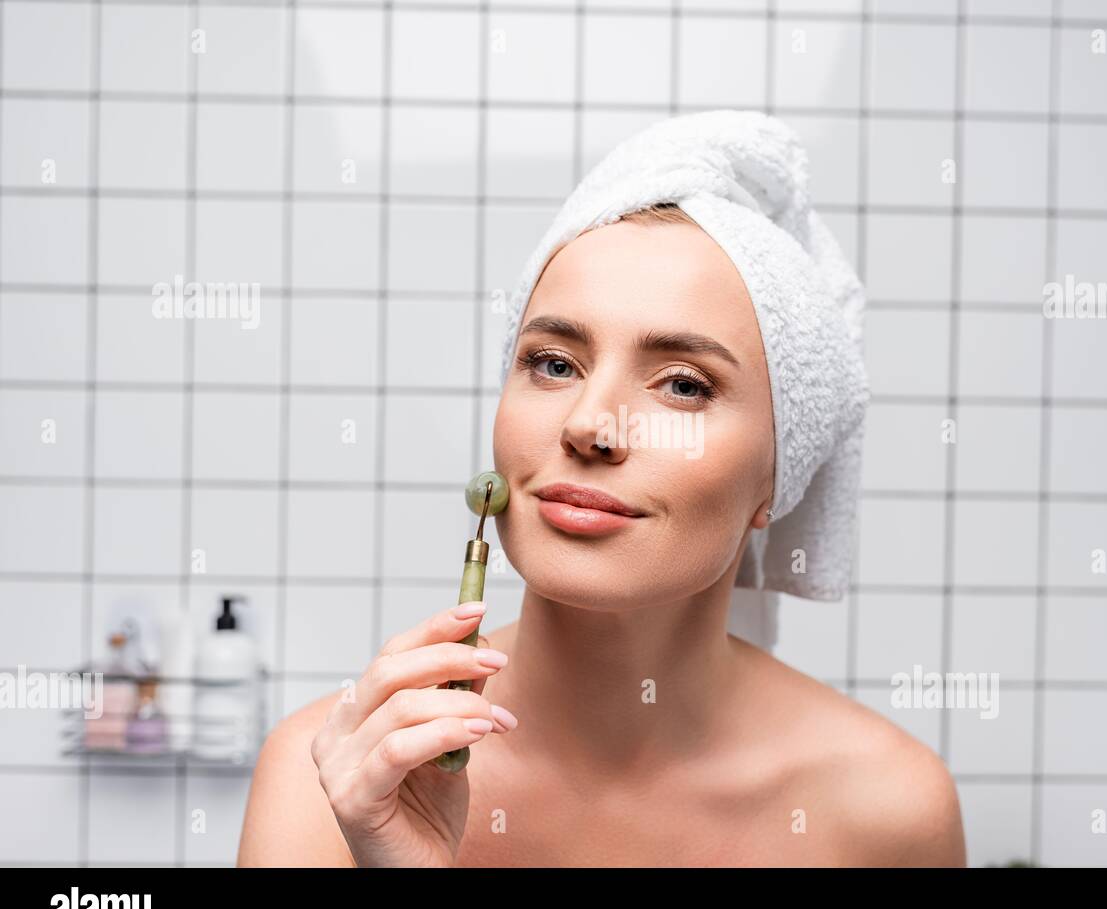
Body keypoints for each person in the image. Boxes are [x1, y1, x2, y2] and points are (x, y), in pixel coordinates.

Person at [237, 201, 965, 867]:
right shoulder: (338, 783)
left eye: (683, 384)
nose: (589, 424)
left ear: (780, 475)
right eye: (554, 364)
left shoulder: (887, 811)